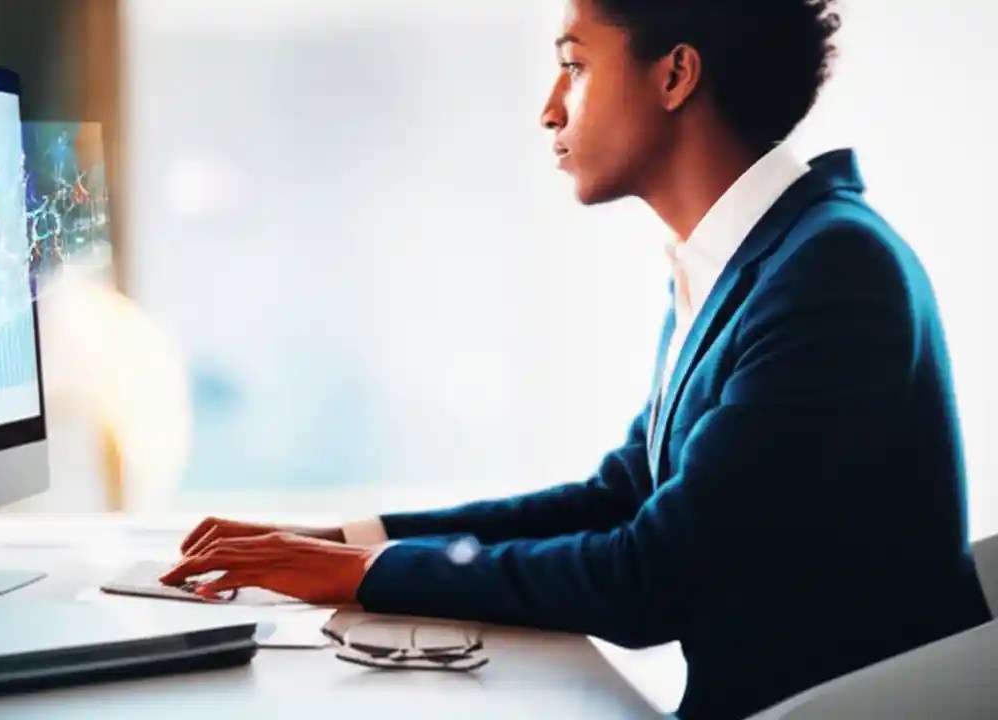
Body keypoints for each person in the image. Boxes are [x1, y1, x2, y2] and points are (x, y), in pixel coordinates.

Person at [160, 1, 994, 717]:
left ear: (675, 76)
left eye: (575, 66)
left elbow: (649, 579)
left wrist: (363, 572)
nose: (550, 110)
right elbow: (619, 498)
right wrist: (342, 541)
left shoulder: (831, 271)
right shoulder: (748, 260)